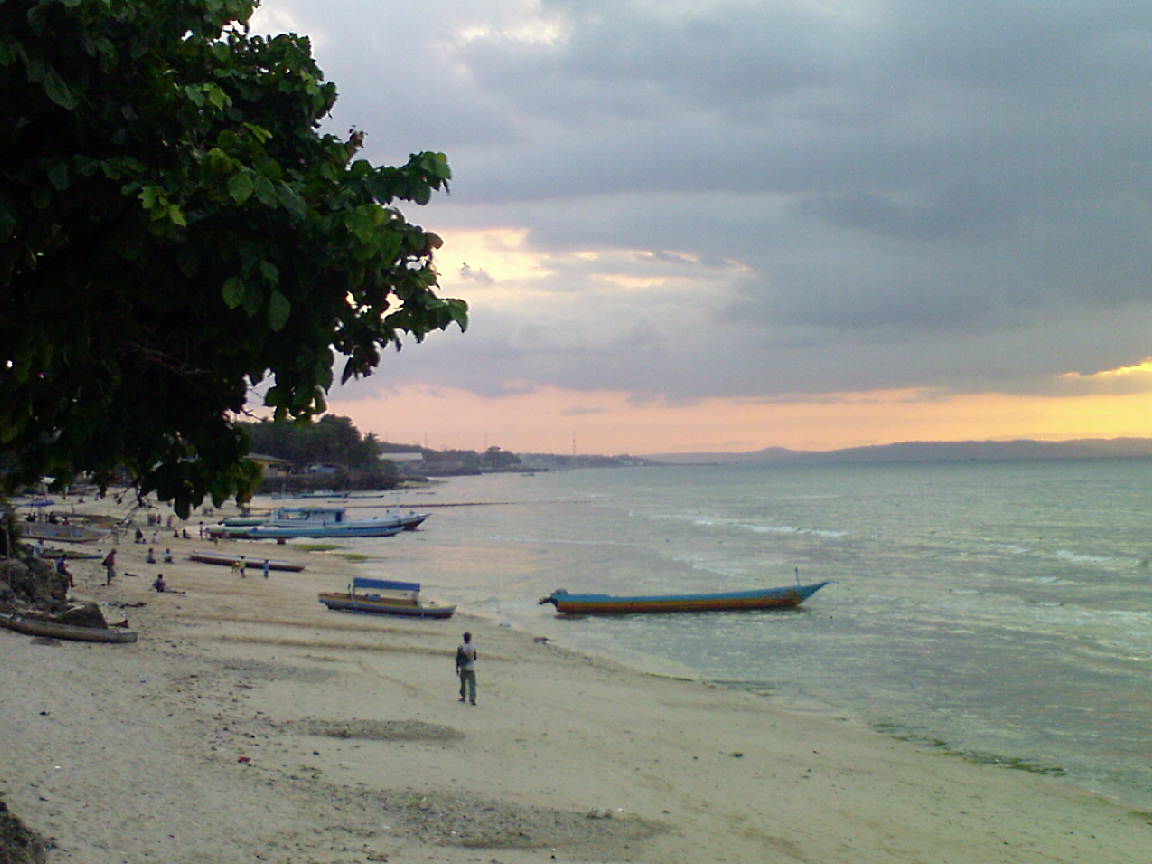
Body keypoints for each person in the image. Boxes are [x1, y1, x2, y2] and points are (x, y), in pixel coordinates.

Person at [455, 632, 478, 705]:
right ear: (470, 638)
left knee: (463, 683)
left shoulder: (461, 646)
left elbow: (457, 658)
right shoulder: (473, 646)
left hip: (463, 667)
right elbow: (475, 657)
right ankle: (472, 699)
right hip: (471, 667)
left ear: (464, 638)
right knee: (472, 684)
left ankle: (463, 697)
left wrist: (457, 668)